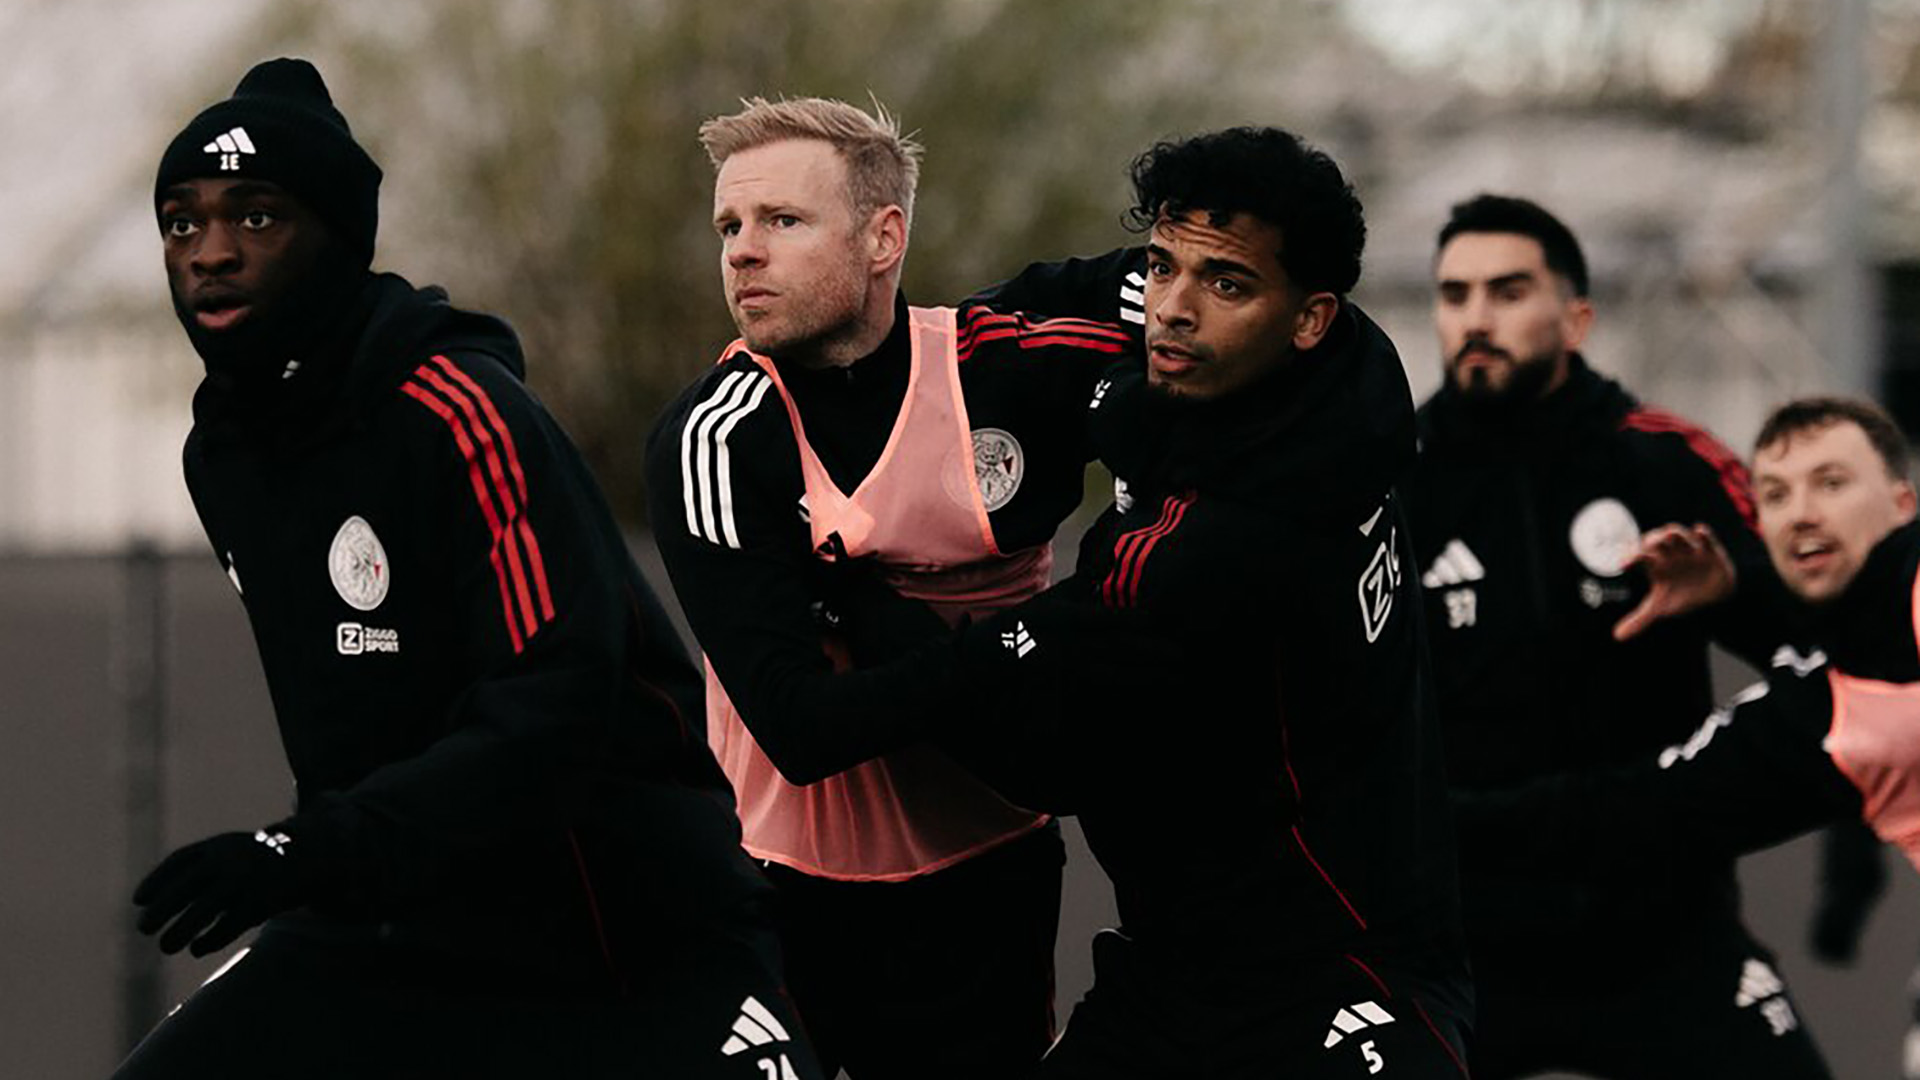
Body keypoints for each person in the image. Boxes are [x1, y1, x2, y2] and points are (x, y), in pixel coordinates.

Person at [120, 58, 818, 1080]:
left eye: (256, 218)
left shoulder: (459, 411)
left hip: (622, 935)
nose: (210, 253)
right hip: (390, 924)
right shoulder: (223, 455)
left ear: (338, 236)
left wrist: (302, 851)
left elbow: (554, 704)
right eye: (182, 222)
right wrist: (333, 859)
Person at [818, 126, 1475, 1078]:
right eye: (1167, 265)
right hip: (1174, 975)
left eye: (1225, 286)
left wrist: (857, 601)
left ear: (1310, 316)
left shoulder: (1213, 549)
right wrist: (929, 354)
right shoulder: (1345, 369)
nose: (1171, 310)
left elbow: (1043, 755)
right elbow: (1091, 287)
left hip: (1345, 979)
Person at [645, 96, 1134, 1080]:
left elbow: (1206, 309)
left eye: (782, 221)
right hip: (785, 896)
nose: (742, 251)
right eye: (729, 226)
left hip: (990, 873)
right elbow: (802, 728)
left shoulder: (1002, 370)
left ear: (884, 237)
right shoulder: (716, 436)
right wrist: (1027, 641)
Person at [1407, 193, 1830, 1078]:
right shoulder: (1388, 480)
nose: (1476, 318)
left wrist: (1733, 588)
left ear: (1577, 316)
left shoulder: (1668, 461)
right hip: (1459, 944)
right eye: (1455, 295)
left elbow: (1824, 636)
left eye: (1508, 290)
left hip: (1661, 928)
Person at [1453, 398, 1920, 1045]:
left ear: (1903, 503)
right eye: (1776, 494)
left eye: (1832, 483)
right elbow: (1631, 808)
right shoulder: (1820, 719)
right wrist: (1421, 818)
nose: (1802, 512)